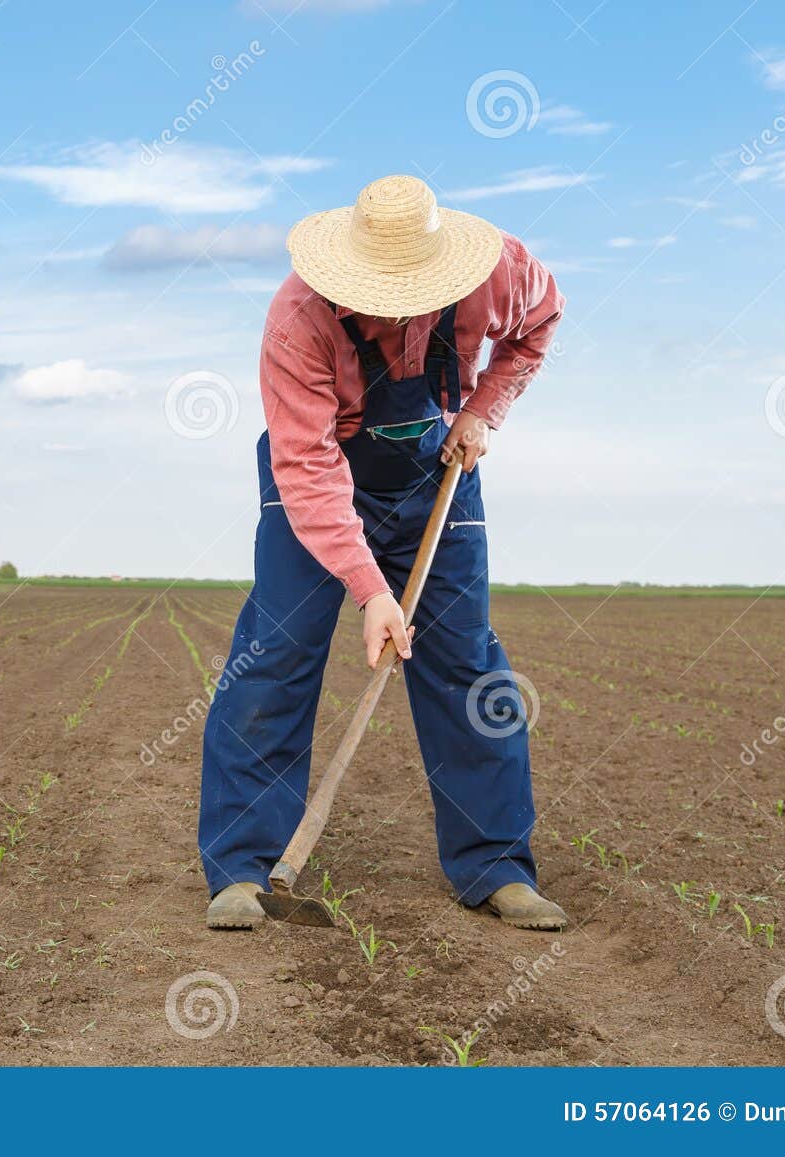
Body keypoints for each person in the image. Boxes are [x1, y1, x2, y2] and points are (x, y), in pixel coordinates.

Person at [199, 174, 567, 932]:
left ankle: (497, 863)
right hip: (322, 477)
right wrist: (371, 592)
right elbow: (305, 467)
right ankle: (242, 866)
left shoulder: (501, 272)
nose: (398, 306)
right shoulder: (296, 319)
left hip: (438, 469)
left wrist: (483, 409)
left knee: (467, 661)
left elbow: (541, 320)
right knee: (275, 651)